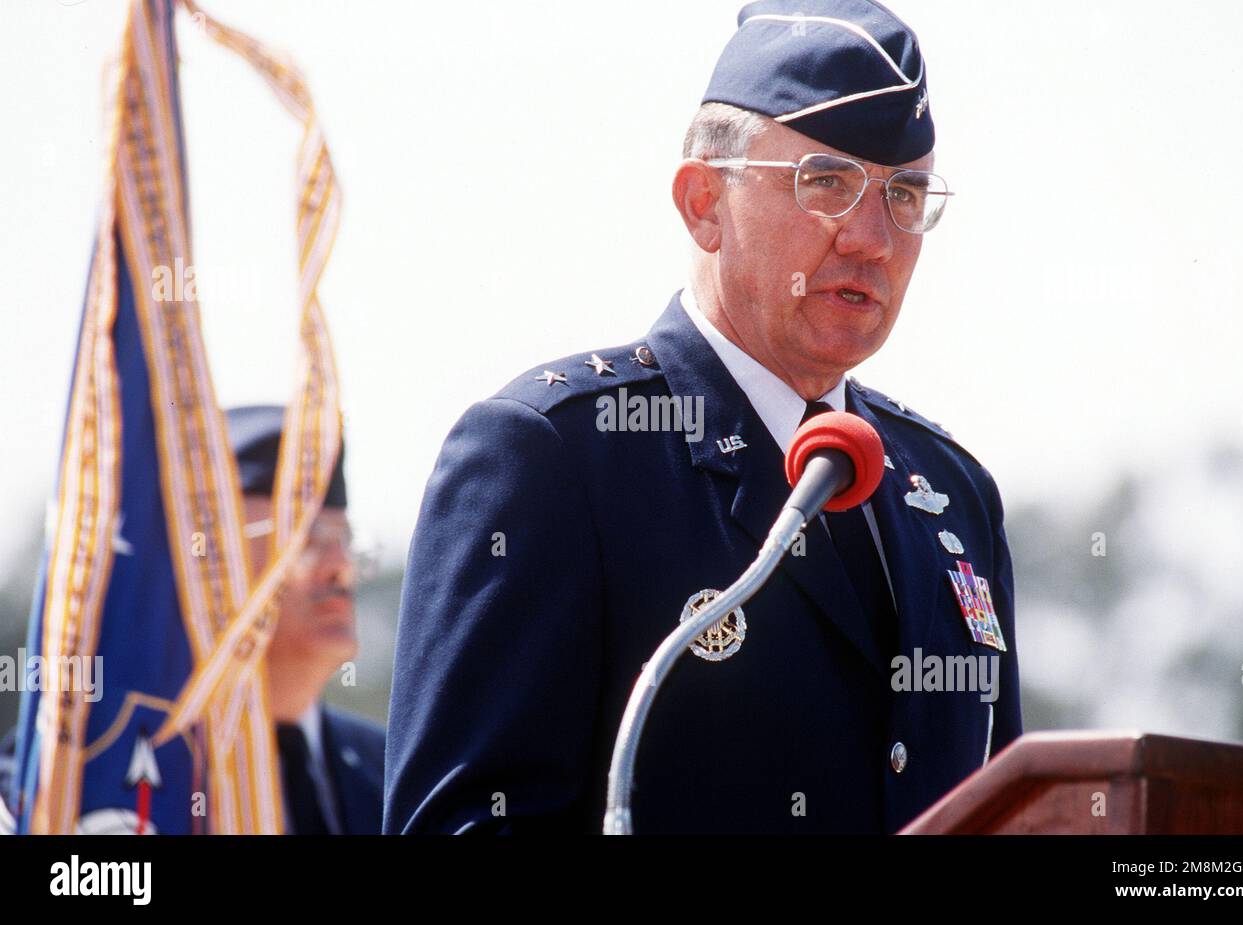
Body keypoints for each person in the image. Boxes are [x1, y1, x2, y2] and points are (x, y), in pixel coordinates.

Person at [385, 0, 1020, 834]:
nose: (872, 237)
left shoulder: (952, 491)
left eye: (904, 193)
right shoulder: (554, 456)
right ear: (703, 203)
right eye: (826, 181)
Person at [227, 405, 385, 835]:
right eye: (304, 540)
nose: (340, 567)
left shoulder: (395, 774)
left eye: (345, 540)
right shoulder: (126, 779)